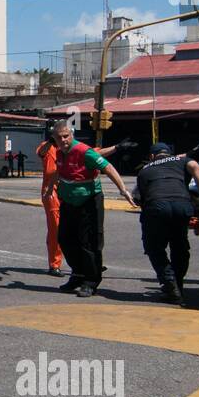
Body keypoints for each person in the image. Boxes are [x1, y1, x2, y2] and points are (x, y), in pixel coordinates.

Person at [41, 121, 136, 297]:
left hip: (89, 201)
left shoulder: (84, 151)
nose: (63, 140)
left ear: (71, 135)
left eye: (66, 136)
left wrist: (123, 190)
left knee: (89, 242)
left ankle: (91, 281)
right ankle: (77, 275)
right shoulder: (59, 153)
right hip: (69, 202)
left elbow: (107, 167)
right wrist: (49, 188)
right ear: (54, 138)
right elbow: (57, 171)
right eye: (59, 137)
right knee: (65, 238)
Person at [136, 142, 199, 305]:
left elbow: (140, 198)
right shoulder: (182, 160)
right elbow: (197, 168)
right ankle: (178, 285)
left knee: (154, 247)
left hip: (157, 206)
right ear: (169, 153)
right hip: (182, 204)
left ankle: (170, 283)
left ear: (151, 156)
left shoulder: (144, 169)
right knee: (179, 246)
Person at [35, 136, 64, 277]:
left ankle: (88, 263)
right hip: (50, 192)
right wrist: (51, 142)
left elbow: (93, 153)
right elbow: (41, 152)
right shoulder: (47, 146)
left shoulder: (70, 147)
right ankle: (54, 264)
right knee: (56, 227)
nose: (63, 138)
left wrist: (116, 148)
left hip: (68, 189)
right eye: (60, 135)